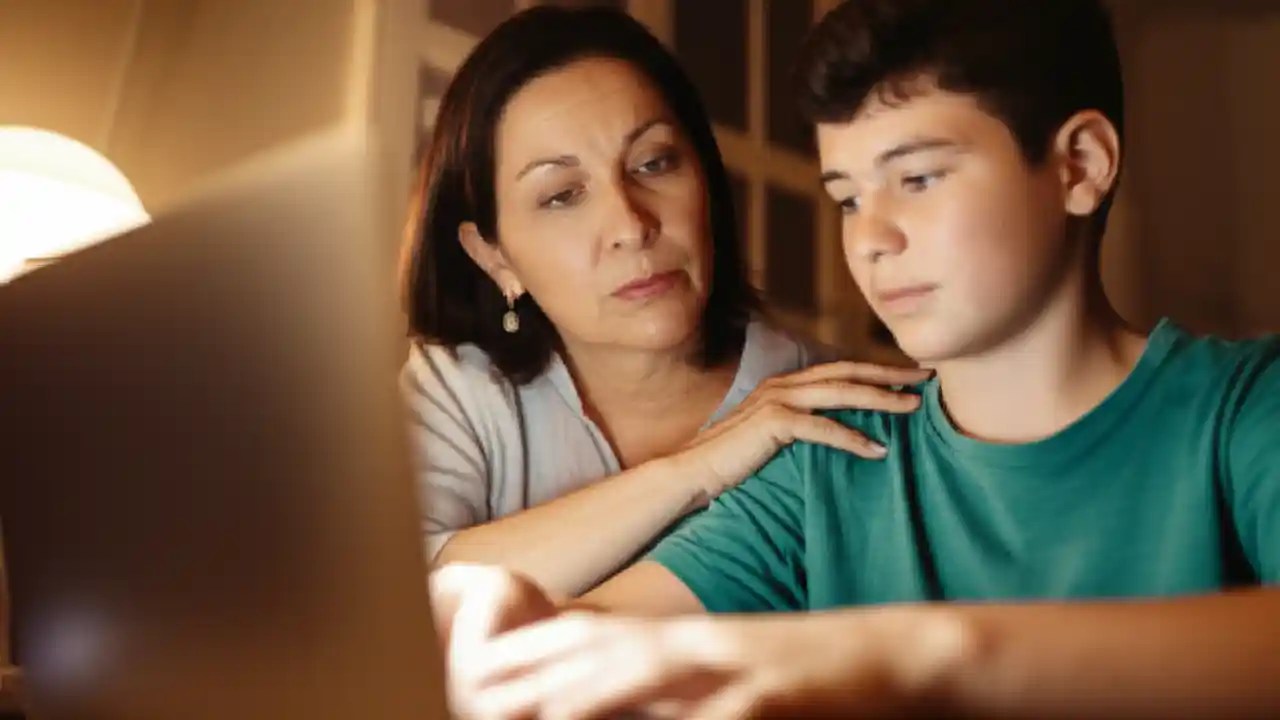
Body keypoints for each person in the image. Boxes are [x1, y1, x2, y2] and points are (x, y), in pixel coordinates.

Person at [431, 0, 1280, 717]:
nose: (870, 240)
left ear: (1079, 166)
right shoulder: (826, 464)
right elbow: (570, 661)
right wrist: (496, 635)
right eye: (846, 197)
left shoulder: (1247, 412)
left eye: (918, 179)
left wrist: (921, 654)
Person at [399, 6, 928, 598]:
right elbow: (404, 600)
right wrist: (693, 471)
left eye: (654, 163)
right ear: (494, 256)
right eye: (562, 195)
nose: (632, 226)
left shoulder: (828, 402)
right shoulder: (461, 393)